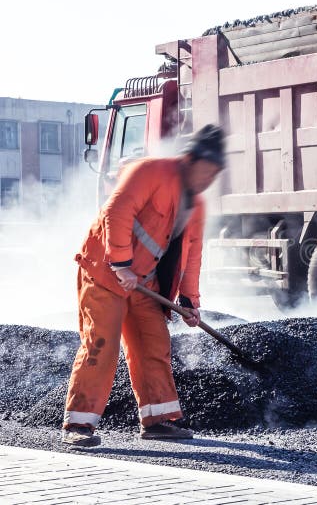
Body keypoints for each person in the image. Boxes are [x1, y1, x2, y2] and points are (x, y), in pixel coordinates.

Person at [61, 125, 226, 447]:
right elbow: (117, 211)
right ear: (190, 160)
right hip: (105, 273)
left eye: (214, 176)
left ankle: (159, 420)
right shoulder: (149, 172)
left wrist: (189, 300)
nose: (208, 181)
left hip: (143, 282)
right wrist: (121, 263)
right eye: (206, 172)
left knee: (154, 345)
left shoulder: (197, 206)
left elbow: (191, 253)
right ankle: (78, 424)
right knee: (101, 344)